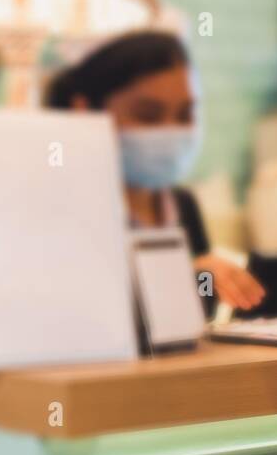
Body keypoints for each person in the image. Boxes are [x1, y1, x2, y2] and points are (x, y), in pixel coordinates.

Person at [47, 31, 265, 312]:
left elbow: (198, 313)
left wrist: (207, 278)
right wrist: (179, 274)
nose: (171, 130)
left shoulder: (182, 204)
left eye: (185, 115)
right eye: (148, 116)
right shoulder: (63, 206)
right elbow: (76, 311)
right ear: (85, 110)